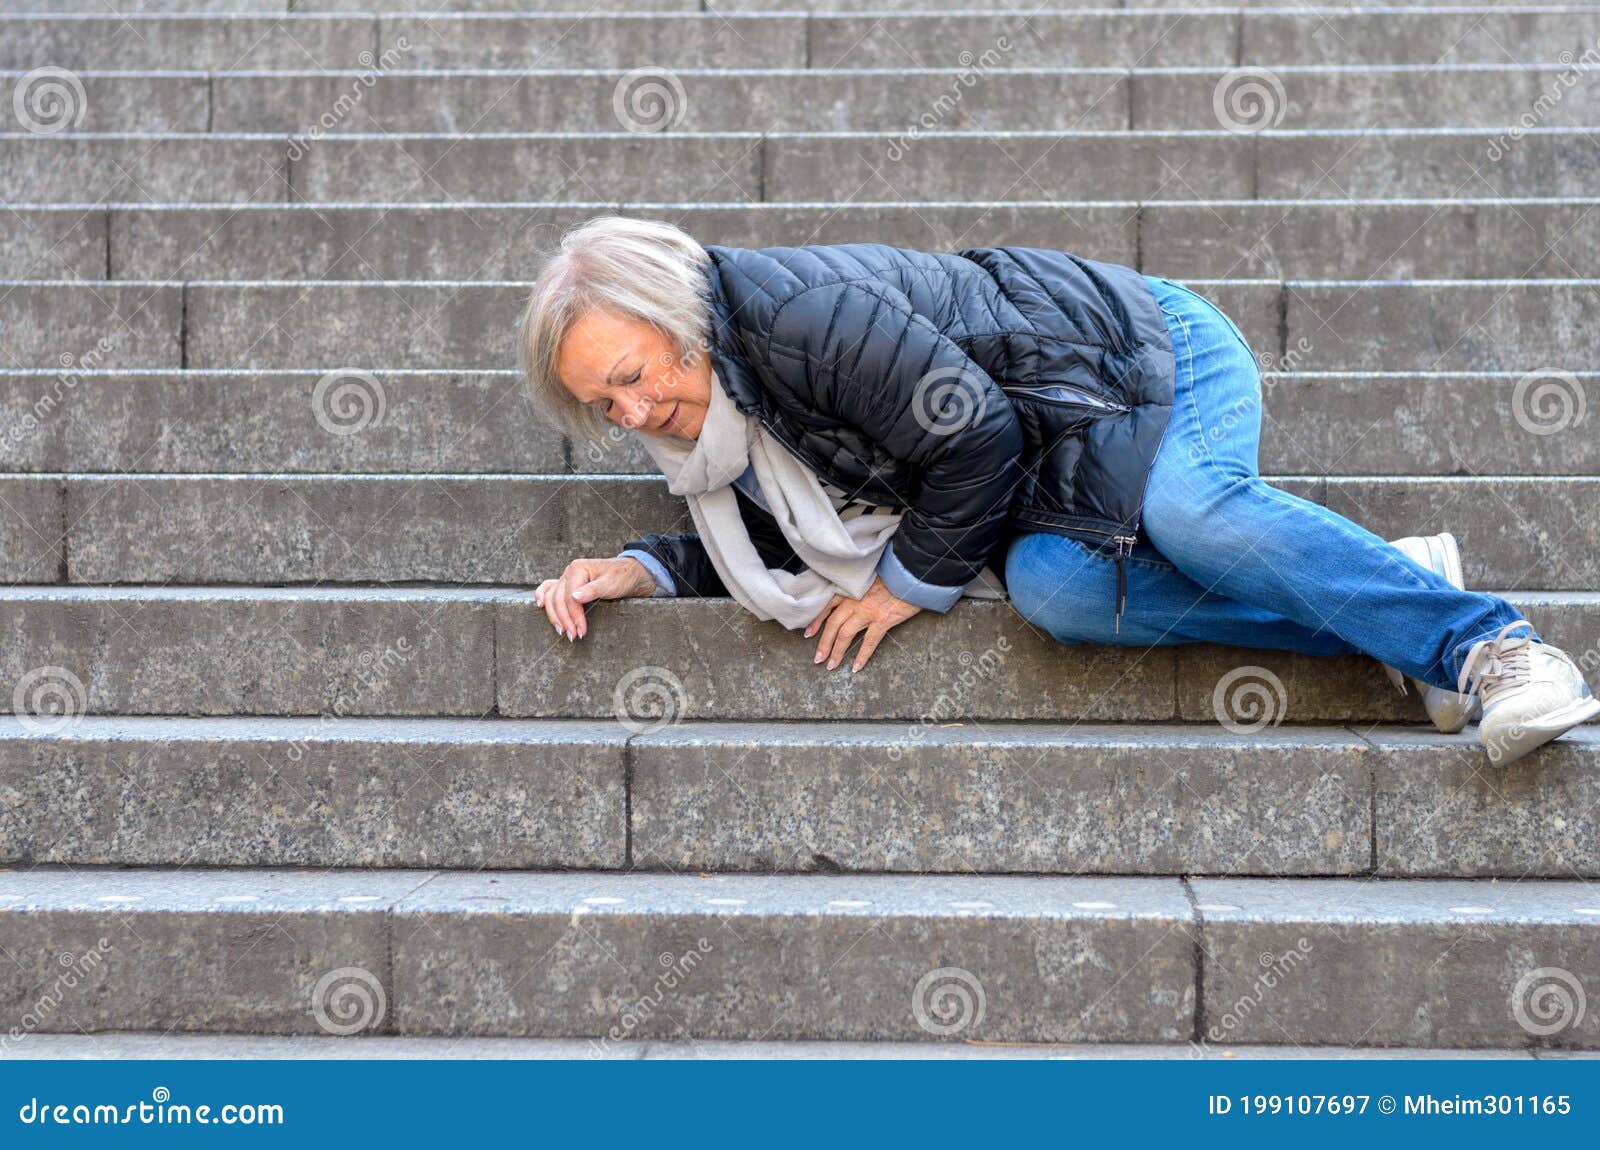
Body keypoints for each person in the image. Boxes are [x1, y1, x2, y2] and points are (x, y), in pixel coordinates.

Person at [520, 215, 1599, 767]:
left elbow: (976, 432)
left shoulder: (802, 322)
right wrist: (648, 567)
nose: (635, 414)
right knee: (1056, 592)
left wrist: (905, 581)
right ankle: (1391, 590)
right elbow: (783, 527)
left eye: (632, 376)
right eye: (604, 405)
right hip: (1055, 462)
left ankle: (1487, 646)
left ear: (677, 314)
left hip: (1141, 358)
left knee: (1190, 511)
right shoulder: (729, 403)